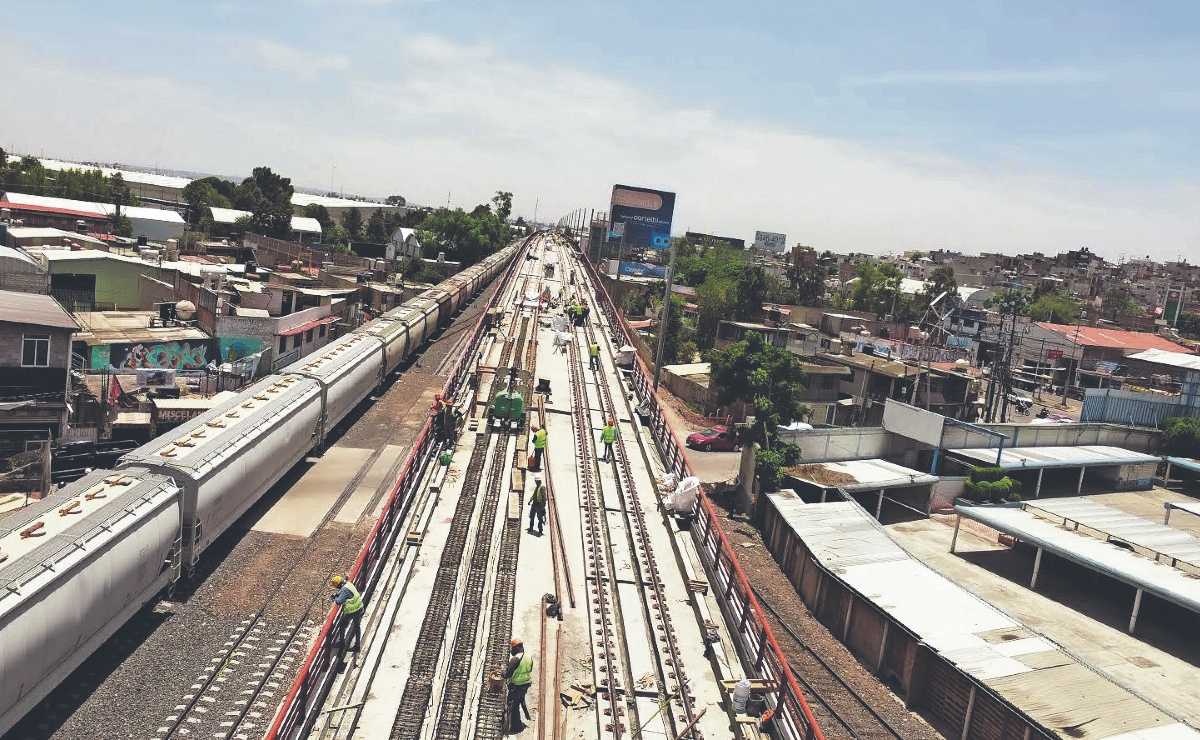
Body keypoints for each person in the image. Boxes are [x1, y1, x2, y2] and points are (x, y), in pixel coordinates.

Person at [504, 639, 534, 732]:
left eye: (512, 648)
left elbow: (508, 674)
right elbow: (530, 669)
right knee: (519, 700)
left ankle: (516, 727)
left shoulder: (515, 659)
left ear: (517, 648)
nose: (511, 650)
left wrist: (502, 674)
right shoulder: (528, 657)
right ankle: (520, 720)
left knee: (513, 706)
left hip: (517, 685)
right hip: (526, 684)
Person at [330, 575, 364, 653]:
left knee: (342, 626)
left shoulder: (344, 590)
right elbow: (345, 592)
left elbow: (339, 601)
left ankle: (342, 643)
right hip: (360, 608)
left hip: (351, 611)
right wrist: (339, 593)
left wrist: (334, 598)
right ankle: (357, 646)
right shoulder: (348, 584)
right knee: (357, 628)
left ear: (339, 585)